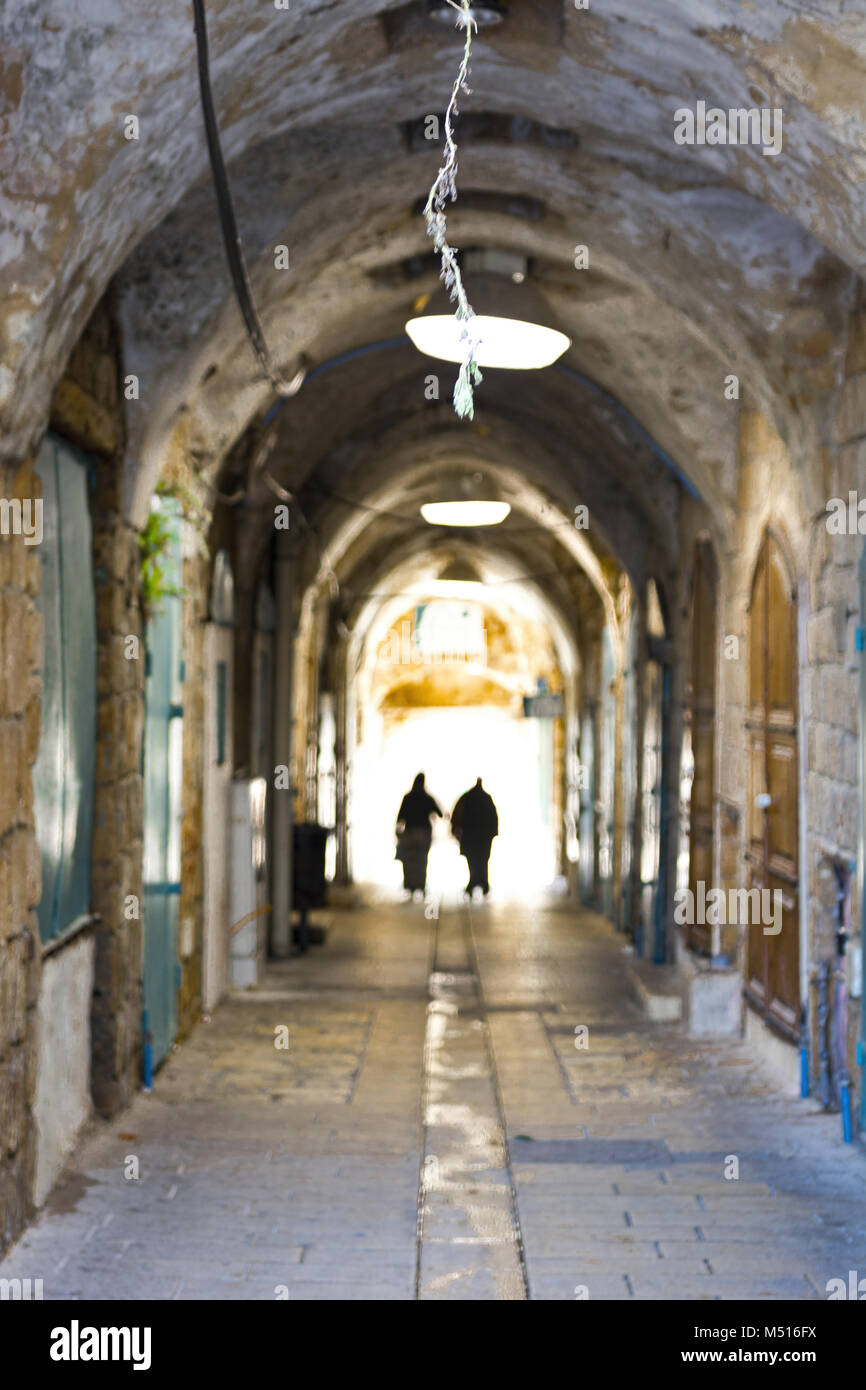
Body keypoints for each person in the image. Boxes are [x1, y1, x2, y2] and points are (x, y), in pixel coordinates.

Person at [395, 773, 442, 898]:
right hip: (424, 832)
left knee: (409, 860)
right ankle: (420, 885)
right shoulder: (427, 797)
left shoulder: (408, 797)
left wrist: (398, 832)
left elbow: (401, 816)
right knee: (422, 860)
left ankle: (410, 885)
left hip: (410, 832)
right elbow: (439, 812)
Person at [451, 778, 499, 897]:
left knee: (472, 860)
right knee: (483, 859)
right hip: (484, 836)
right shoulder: (487, 799)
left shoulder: (467, 798)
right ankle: (482, 883)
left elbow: (457, 814)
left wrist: (455, 830)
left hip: (470, 835)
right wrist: (493, 833)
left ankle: (474, 882)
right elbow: (494, 817)